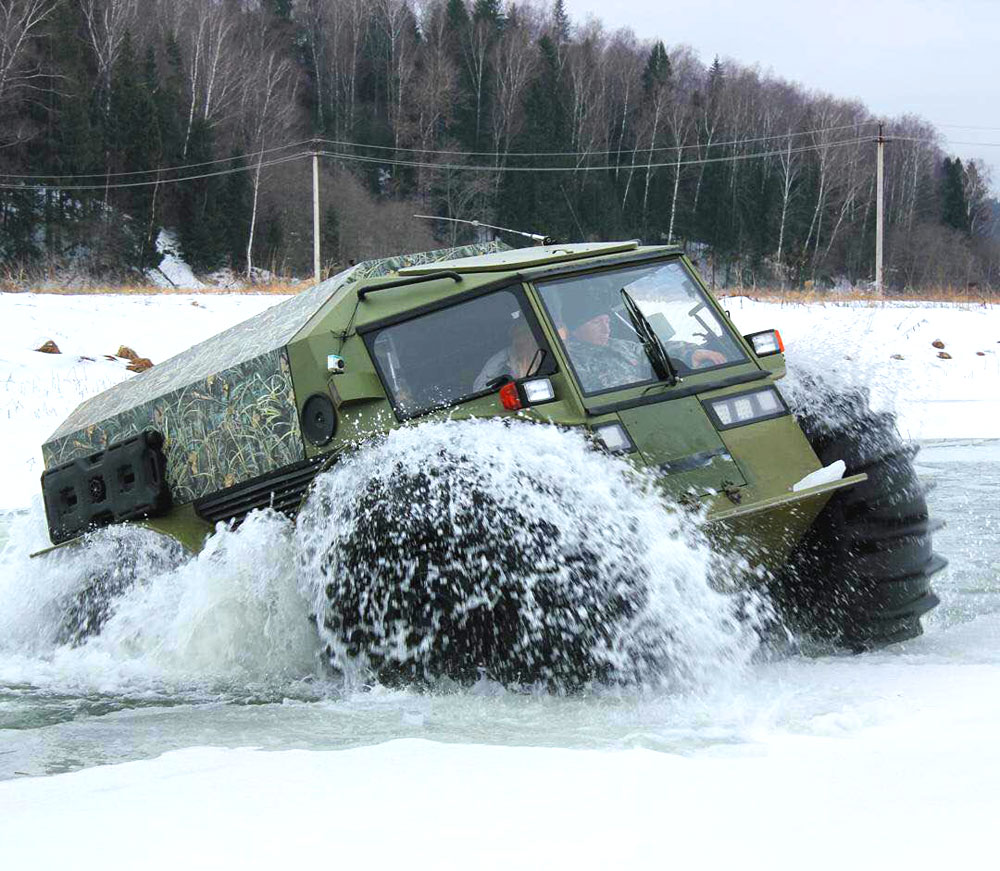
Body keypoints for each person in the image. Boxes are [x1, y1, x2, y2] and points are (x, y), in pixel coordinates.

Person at [473, 316, 542, 392]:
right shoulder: (501, 360)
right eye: (516, 336)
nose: (520, 340)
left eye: (525, 334)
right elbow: (480, 390)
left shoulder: (545, 352)